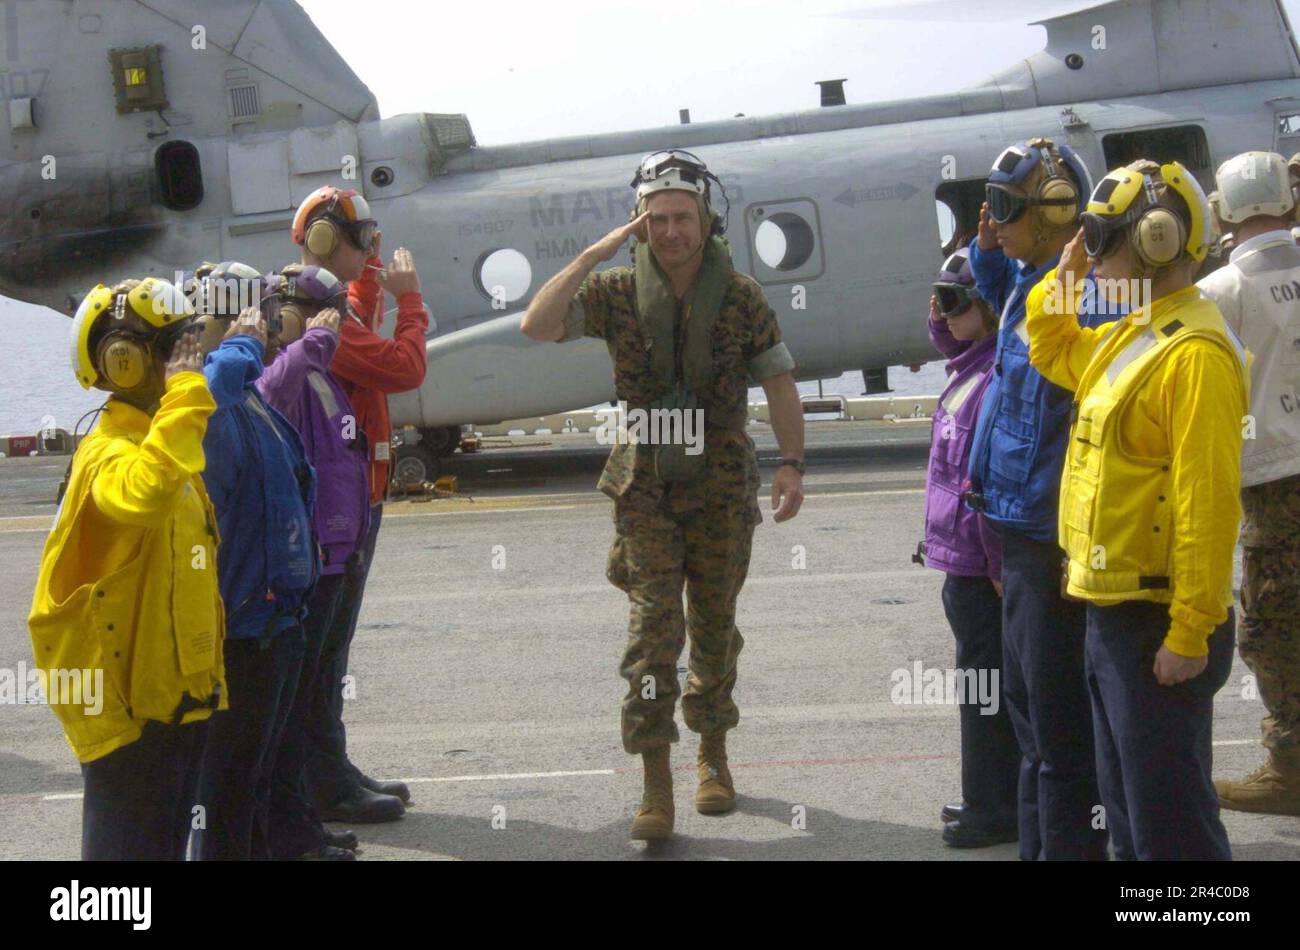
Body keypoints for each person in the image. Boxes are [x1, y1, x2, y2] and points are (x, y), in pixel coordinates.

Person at [520, 149, 806, 841]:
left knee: (712, 629)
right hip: (644, 485)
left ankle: (712, 754)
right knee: (653, 638)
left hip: (719, 486)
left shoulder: (740, 296)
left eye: (683, 217)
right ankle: (656, 780)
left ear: (706, 217)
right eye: (658, 218)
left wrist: (792, 462)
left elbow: (778, 381)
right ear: (640, 222)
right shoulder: (617, 292)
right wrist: (591, 256)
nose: (672, 231)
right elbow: (538, 324)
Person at [1026, 159, 1249, 860]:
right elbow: (1054, 348)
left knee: (1172, 832)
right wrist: (1064, 279)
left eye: (1100, 240)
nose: (1090, 257)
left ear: (1154, 241)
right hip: (1113, 616)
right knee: (1130, 823)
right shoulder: (1137, 334)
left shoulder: (1194, 356)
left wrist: (1190, 632)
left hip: (1157, 623)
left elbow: (1206, 507)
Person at [29, 278, 225, 860]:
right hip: (126, 703)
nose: (188, 363)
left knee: (159, 847)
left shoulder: (155, 438)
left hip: (172, 694)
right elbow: (144, 495)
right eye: (176, 352)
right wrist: (187, 396)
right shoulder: (109, 452)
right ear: (124, 362)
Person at [965, 137, 1111, 860]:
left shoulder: (1084, 299)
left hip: (1053, 542)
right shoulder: (1036, 284)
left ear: (1054, 214)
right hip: (1020, 536)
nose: (991, 222)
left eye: (1001, 209)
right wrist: (989, 244)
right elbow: (997, 286)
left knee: (1059, 738)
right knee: (1031, 728)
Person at [290, 185, 429, 822]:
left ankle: (330, 768)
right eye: (363, 237)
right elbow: (402, 367)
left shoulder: (323, 305)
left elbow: (354, 312)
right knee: (323, 651)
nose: (373, 244)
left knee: (330, 649)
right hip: (341, 511)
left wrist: (370, 278)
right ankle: (324, 784)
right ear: (325, 241)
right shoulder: (320, 321)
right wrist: (412, 302)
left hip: (353, 498)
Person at [186, 263, 319, 860]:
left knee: (253, 783)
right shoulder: (207, 397)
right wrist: (238, 344)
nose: (271, 327)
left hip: (274, 622)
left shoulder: (249, 396)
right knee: (226, 792)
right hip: (238, 629)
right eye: (261, 313)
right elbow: (205, 398)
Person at [1197, 151, 1300, 816]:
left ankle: (1289, 766)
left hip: (1269, 481)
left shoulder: (1220, 291)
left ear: (1222, 211)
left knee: (1272, 626)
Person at [259, 264, 371, 858]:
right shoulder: (288, 365)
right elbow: (270, 390)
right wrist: (313, 340)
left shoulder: (319, 371)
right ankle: (298, 825)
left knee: (317, 683)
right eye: (323, 311)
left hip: (336, 548)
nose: (335, 322)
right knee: (296, 697)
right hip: (314, 556)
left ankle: (317, 803)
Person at [916, 247, 1019, 848]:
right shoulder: (971, 363)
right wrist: (944, 305)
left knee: (989, 695)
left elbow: (987, 485)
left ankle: (993, 808)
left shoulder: (992, 379)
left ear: (988, 308)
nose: (944, 315)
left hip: (983, 572)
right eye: (940, 301)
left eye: (955, 302)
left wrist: (1000, 566)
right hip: (963, 569)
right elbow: (951, 340)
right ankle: (990, 793)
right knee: (983, 690)